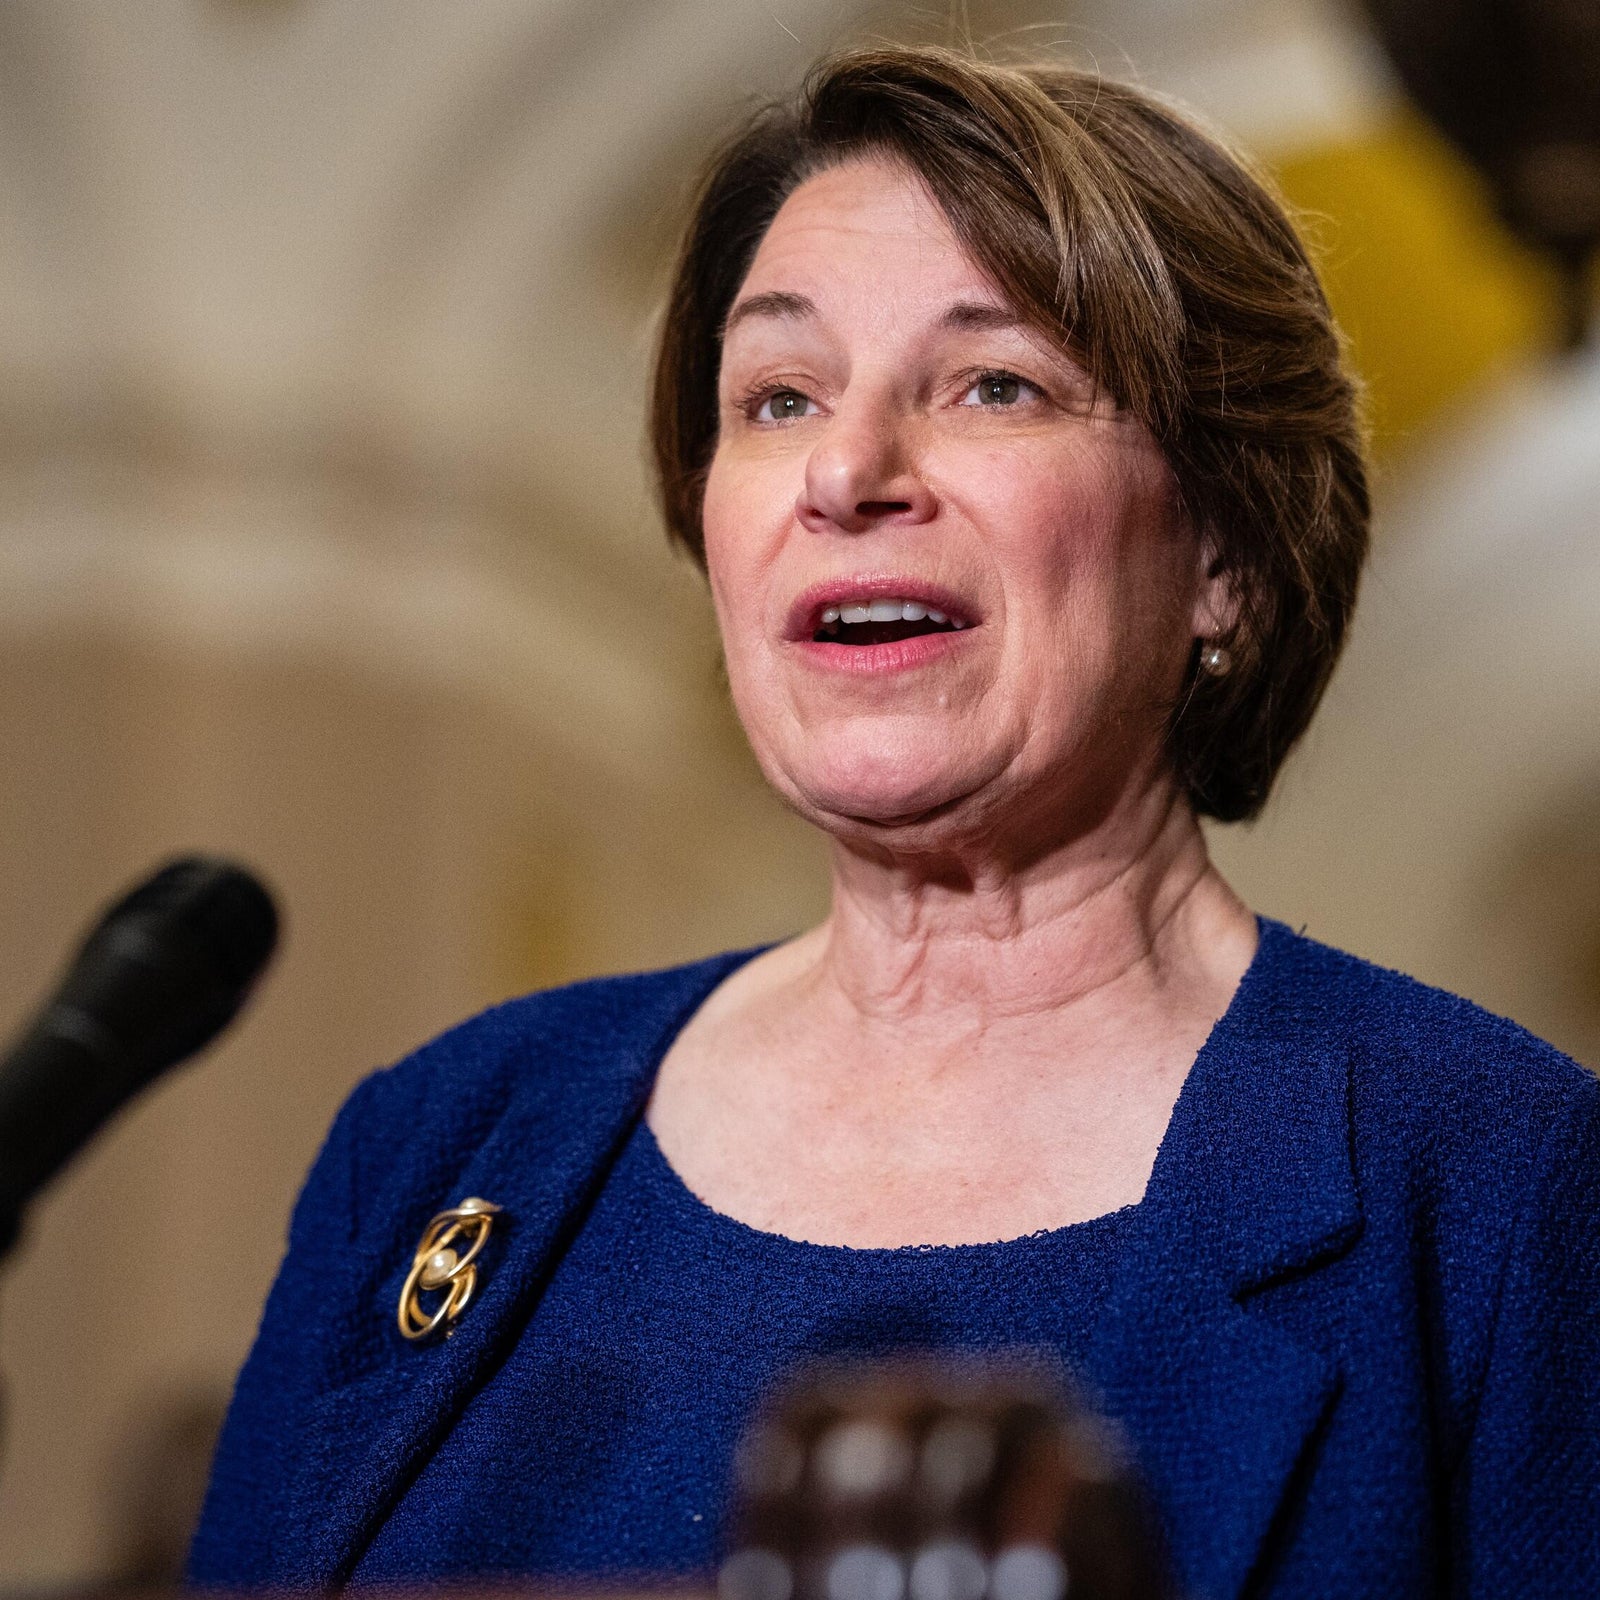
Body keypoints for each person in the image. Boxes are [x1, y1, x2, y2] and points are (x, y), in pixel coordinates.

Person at [189, 46, 1600, 1599]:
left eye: (995, 383)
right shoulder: (438, 1143)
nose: (848, 472)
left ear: (1227, 556)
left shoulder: (1496, 1191)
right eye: (777, 397)